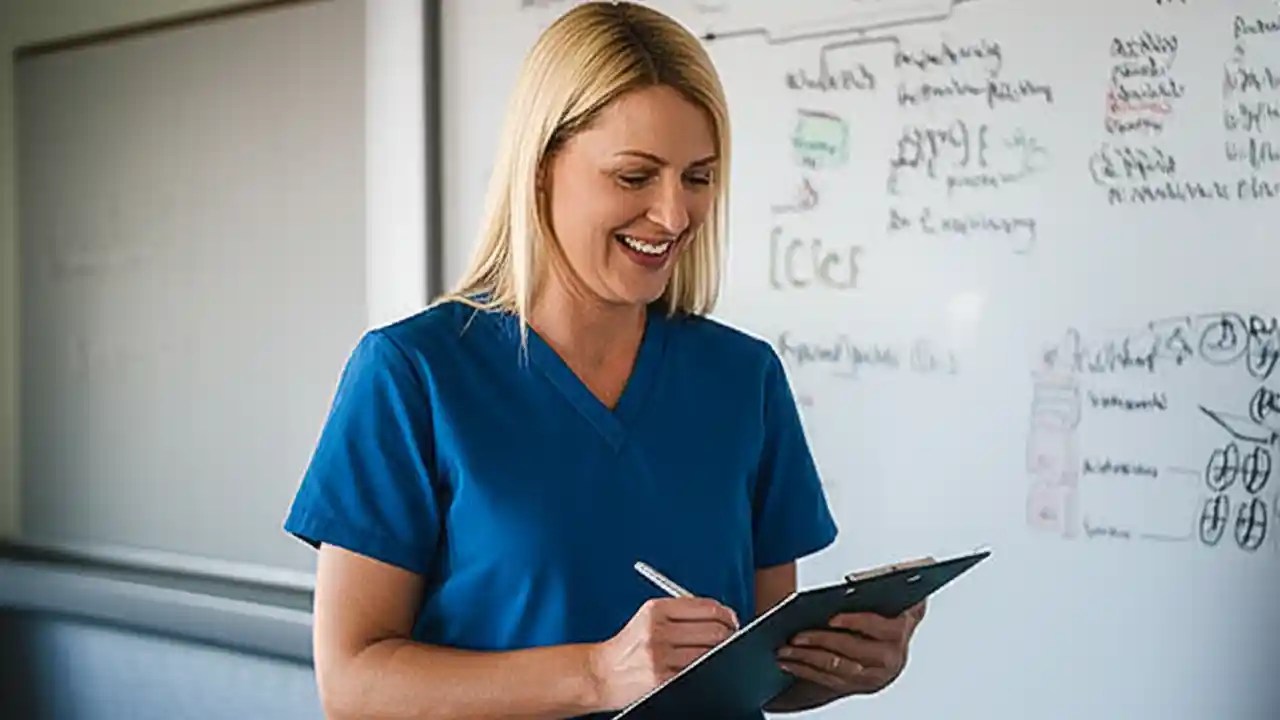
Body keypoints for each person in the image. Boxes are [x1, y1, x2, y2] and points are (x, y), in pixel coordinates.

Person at [282, 2, 927, 718]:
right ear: (540, 170)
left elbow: (760, 668)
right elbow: (353, 683)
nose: (674, 215)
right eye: (634, 177)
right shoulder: (411, 375)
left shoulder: (744, 380)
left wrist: (844, 663)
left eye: (698, 178)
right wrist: (596, 673)